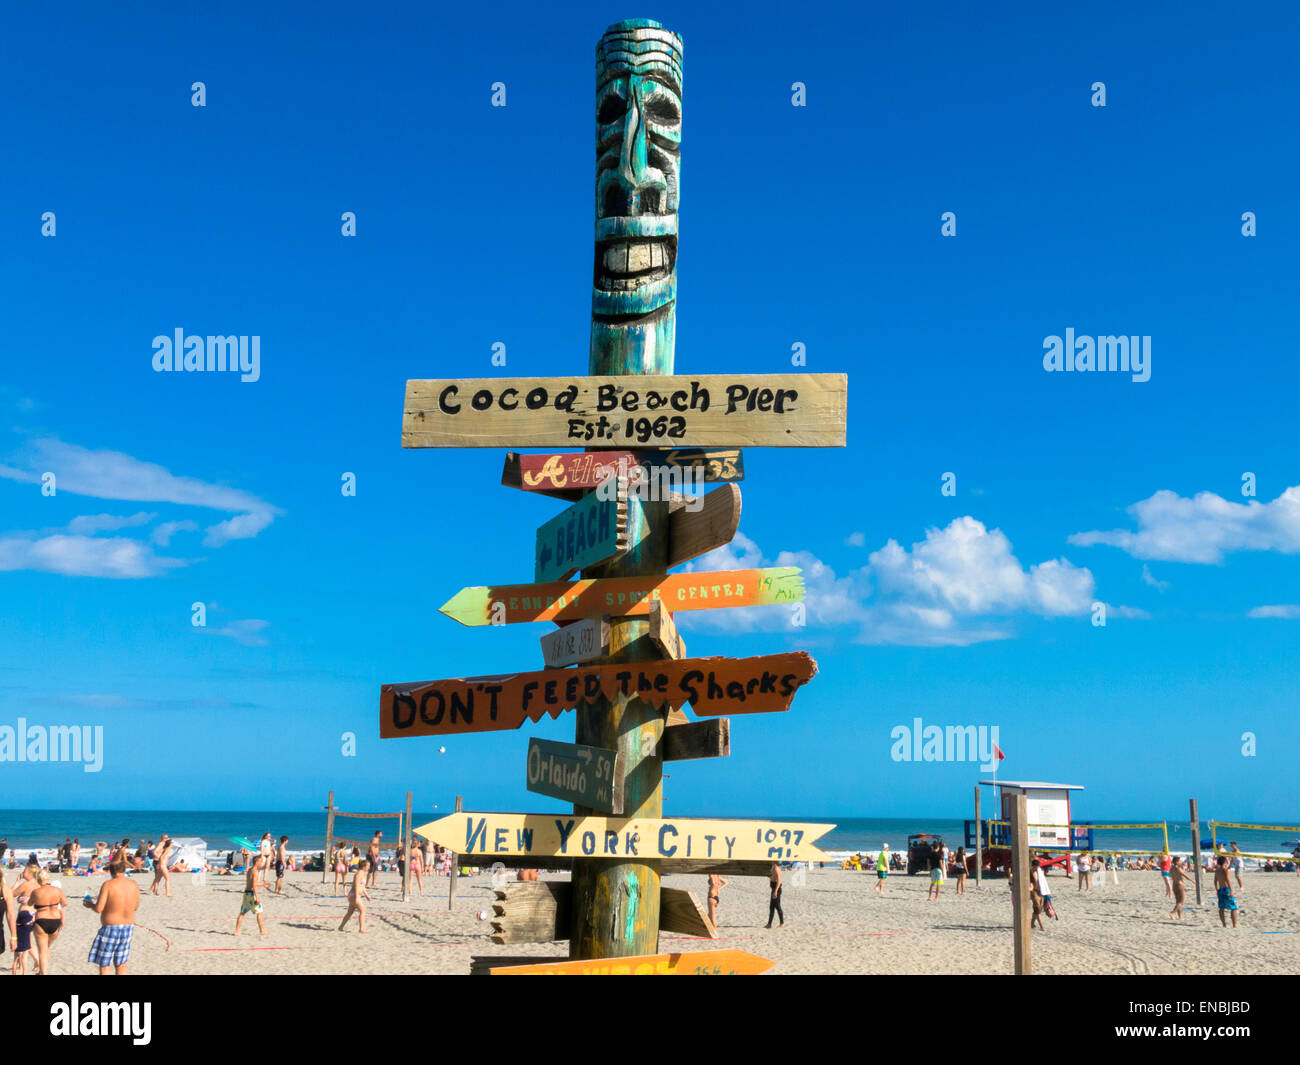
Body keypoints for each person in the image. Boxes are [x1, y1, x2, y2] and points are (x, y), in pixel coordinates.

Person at [85, 858, 140, 974]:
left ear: (111, 872)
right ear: (124, 870)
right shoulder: (133, 884)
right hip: (128, 927)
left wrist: (90, 905)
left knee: (105, 964)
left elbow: (99, 909)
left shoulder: (108, 884)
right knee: (121, 964)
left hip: (111, 928)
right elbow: (135, 906)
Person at [28, 868, 68, 975]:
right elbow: (64, 903)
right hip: (55, 920)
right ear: (48, 878)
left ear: (38, 880)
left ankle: (43, 973)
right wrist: (54, 905)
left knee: (42, 950)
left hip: (41, 920)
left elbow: (29, 903)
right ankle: (42, 971)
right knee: (47, 948)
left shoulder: (36, 892)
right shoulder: (57, 890)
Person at [235, 856, 267, 936]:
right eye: (261, 862)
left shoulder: (249, 870)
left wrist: (262, 884)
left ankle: (237, 931)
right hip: (252, 893)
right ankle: (262, 930)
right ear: (257, 862)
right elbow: (254, 885)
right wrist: (257, 898)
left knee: (242, 913)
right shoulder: (255, 871)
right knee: (259, 912)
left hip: (246, 893)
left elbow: (252, 883)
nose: (262, 863)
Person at [339, 859, 371, 932]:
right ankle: (361, 929)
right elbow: (356, 885)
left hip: (355, 895)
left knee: (350, 912)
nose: (369, 867)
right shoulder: (359, 873)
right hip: (354, 895)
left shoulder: (363, 873)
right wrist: (357, 897)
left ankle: (341, 927)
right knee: (363, 910)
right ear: (364, 866)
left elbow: (362, 886)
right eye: (368, 866)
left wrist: (367, 895)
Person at [1214, 855, 1239, 928]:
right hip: (1226, 889)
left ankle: (1224, 924)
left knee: (1221, 908)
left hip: (1221, 890)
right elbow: (1228, 880)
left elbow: (1215, 881)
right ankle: (1235, 925)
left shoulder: (1217, 871)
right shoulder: (1226, 870)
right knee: (1234, 907)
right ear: (1225, 862)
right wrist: (1231, 891)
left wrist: (1217, 889)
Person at [1169, 856, 1192, 921]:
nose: (1181, 862)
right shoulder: (1178, 868)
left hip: (1174, 885)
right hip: (1179, 885)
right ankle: (1173, 913)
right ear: (1176, 862)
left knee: (1178, 902)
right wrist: (1193, 881)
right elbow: (1186, 876)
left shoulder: (1171, 868)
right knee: (1181, 902)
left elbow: (1171, 876)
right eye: (1180, 861)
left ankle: (1180, 917)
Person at [765, 862, 783, 928]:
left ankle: (782, 923)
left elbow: (779, 881)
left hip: (776, 889)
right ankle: (769, 924)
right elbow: (773, 877)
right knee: (771, 907)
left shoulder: (776, 868)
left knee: (778, 907)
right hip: (773, 889)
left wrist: (775, 891)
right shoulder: (773, 867)